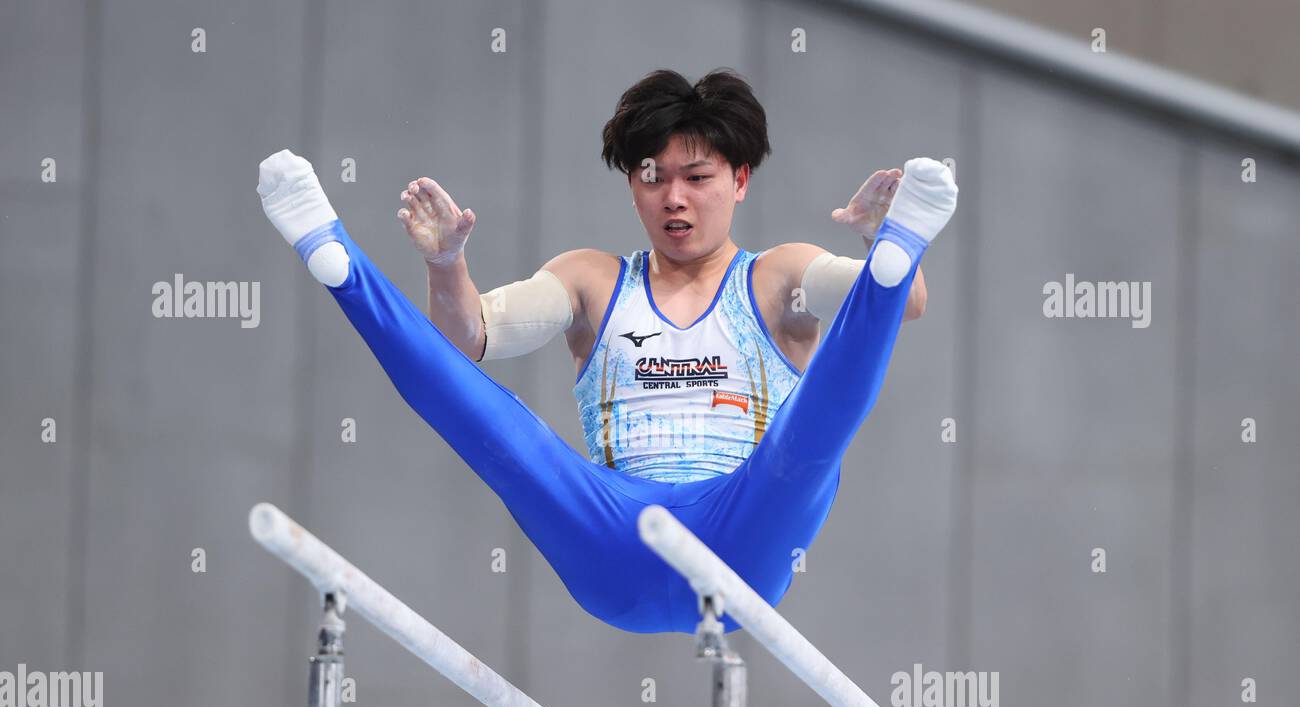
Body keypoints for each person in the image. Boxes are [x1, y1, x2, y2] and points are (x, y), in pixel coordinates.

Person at [257, 68, 957, 635]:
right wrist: (446, 266)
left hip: (741, 533)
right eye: (653, 177)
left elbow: (906, 306)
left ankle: (899, 250)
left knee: (810, 438)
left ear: (740, 180)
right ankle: (338, 261)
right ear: (632, 186)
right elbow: (469, 340)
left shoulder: (779, 278)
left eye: (698, 177)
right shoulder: (591, 280)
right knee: (499, 430)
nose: (673, 198)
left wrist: (875, 251)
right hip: (615, 530)